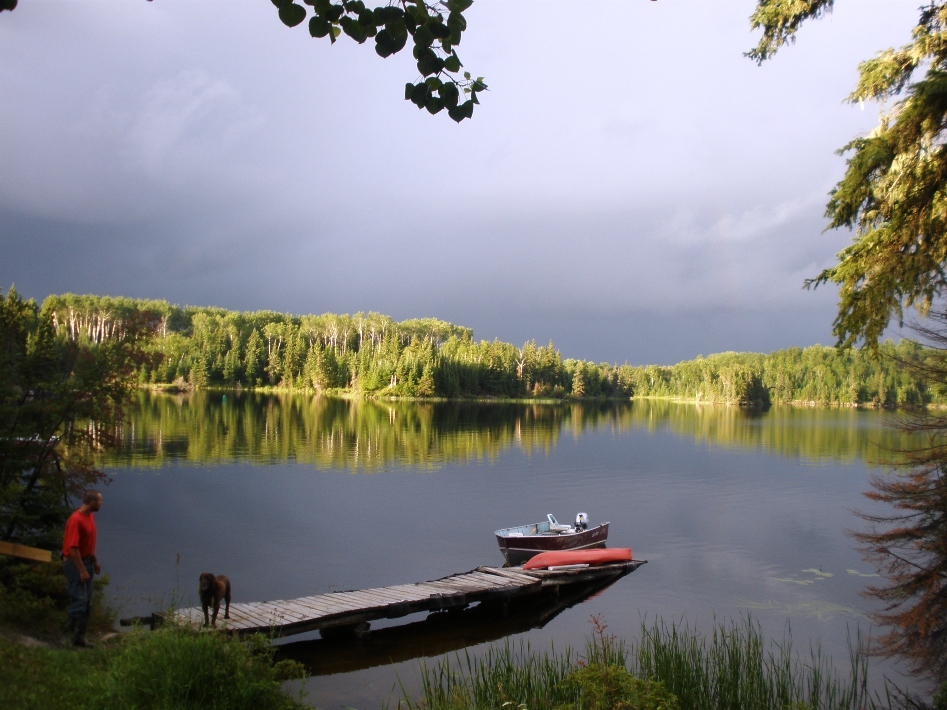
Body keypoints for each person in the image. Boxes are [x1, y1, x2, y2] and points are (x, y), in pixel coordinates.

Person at [62, 490, 102, 647]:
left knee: (87, 603)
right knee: (80, 600)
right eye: (99, 501)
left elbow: (87, 544)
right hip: (75, 564)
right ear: (92, 503)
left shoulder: (90, 516)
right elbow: (73, 549)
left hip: (88, 561)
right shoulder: (75, 520)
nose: (101, 504)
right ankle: (65, 636)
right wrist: (82, 570)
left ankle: (80, 637)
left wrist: (95, 560)